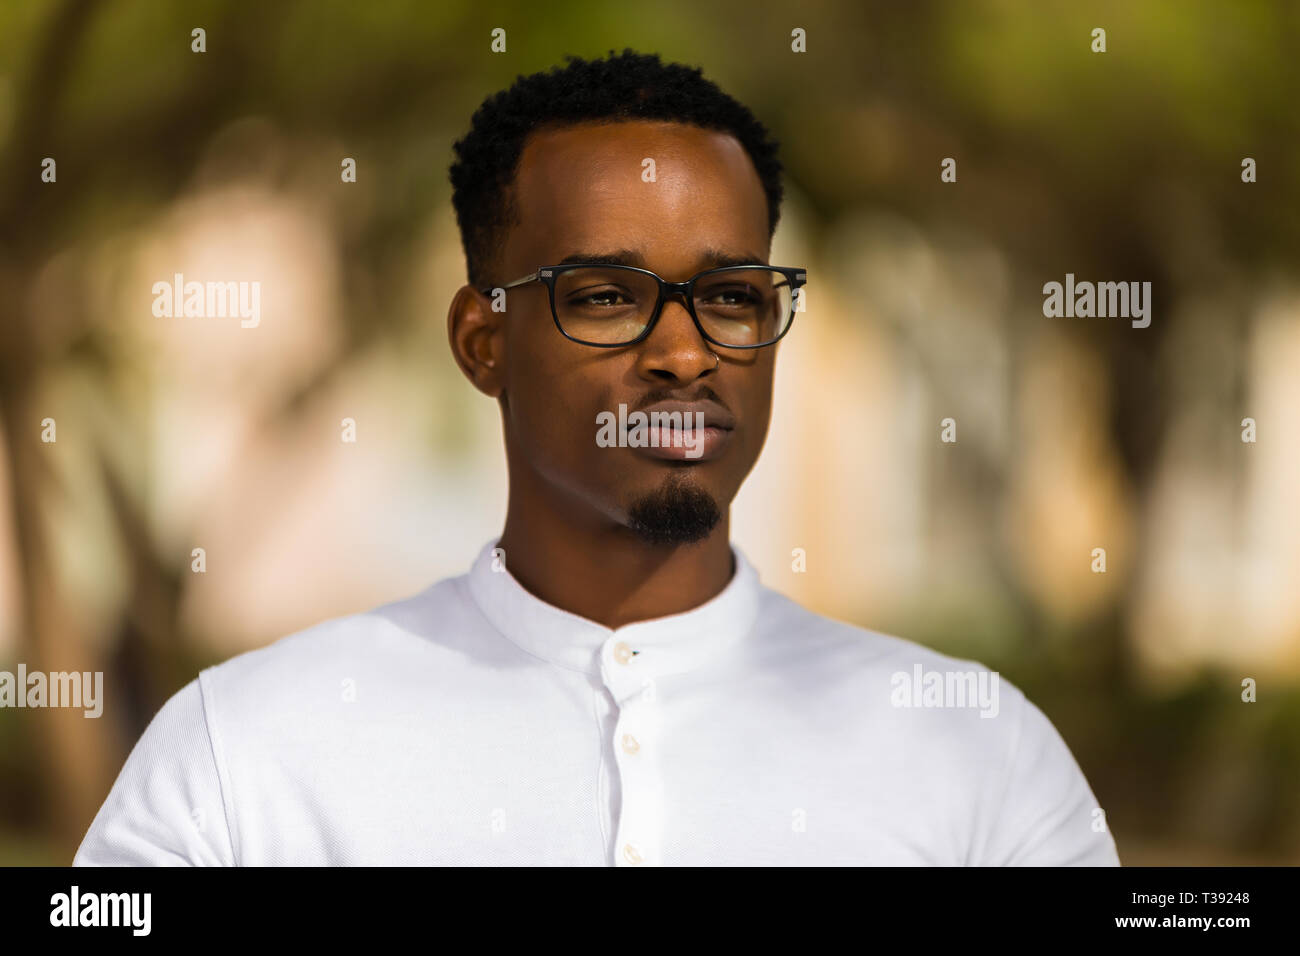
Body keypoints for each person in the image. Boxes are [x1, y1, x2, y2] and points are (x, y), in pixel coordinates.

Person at [74, 49, 1119, 866]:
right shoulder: (243, 753)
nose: (683, 352)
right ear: (483, 344)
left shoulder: (977, 754)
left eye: (730, 298)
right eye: (608, 297)